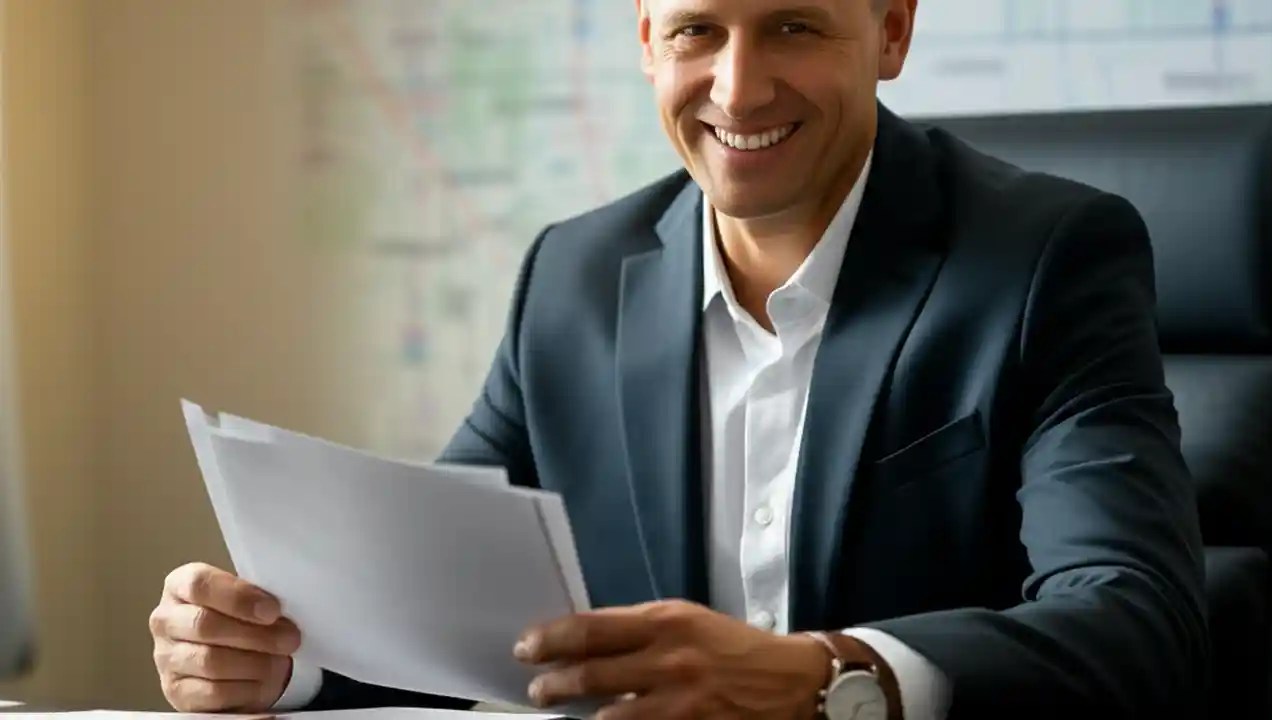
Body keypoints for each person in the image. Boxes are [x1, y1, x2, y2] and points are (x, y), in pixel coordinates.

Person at [148, 0, 1210, 717]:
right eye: (698, 29)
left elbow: (1135, 623)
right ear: (646, 39)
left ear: (889, 30)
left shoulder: (1047, 259)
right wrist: (279, 659)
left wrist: (824, 681)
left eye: (792, 23)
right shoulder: (571, 275)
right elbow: (444, 613)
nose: (738, 90)